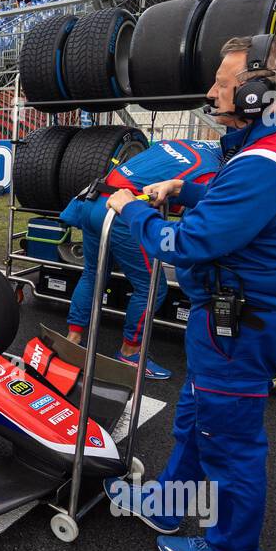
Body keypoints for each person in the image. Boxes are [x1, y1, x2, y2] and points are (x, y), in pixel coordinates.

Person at [103, 33, 276, 551]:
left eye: (222, 84)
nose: (210, 91)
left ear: (257, 90)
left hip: (240, 325)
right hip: (240, 318)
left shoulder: (265, 161)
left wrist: (134, 210)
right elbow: (245, 207)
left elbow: (187, 245)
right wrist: (184, 191)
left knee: (230, 441)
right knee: (197, 421)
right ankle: (169, 503)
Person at [59, 138, 223, 378]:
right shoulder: (211, 168)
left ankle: (73, 339)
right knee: (152, 288)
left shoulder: (180, 142)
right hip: (122, 211)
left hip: (94, 200)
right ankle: (130, 353)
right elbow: (202, 213)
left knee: (93, 273)